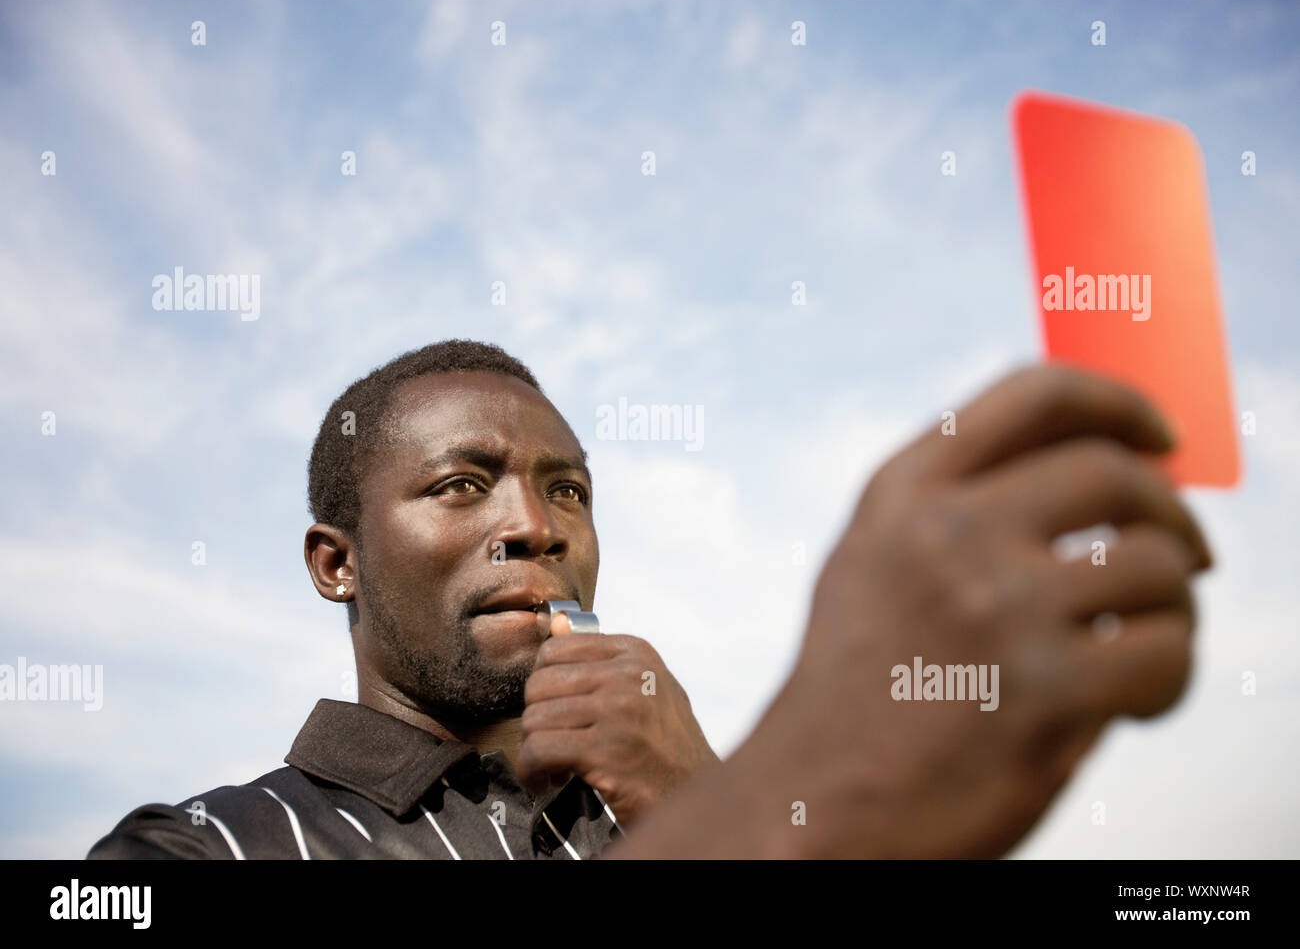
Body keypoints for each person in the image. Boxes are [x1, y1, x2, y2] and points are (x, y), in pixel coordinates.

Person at [88, 339, 1210, 859]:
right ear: (336, 564)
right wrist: (776, 803)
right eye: (460, 484)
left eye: (566, 487)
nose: (536, 522)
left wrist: (698, 788)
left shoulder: (653, 802)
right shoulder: (202, 847)